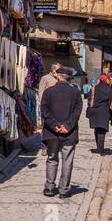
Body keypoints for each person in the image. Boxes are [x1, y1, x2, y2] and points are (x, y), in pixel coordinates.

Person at [40, 65, 81, 197]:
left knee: (52, 158)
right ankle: (63, 190)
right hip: (69, 133)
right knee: (67, 160)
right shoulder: (75, 93)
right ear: (69, 78)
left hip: (52, 132)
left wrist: (55, 126)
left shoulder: (48, 92)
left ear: (57, 76)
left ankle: (50, 187)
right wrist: (67, 126)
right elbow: (76, 112)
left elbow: (44, 111)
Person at [86, 72, 112, 154]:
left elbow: (89, 100)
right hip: (104, 112)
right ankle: (100, 150)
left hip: (94, 111)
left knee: (96, 129)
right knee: (102, 131)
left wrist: (89, 110)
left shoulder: (93, 88)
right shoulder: (110, 90)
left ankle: (99, 147)